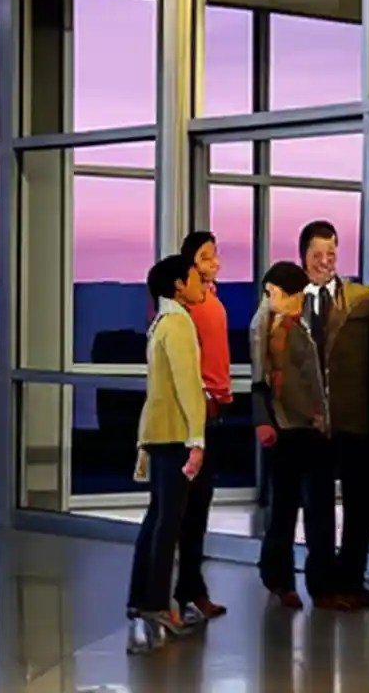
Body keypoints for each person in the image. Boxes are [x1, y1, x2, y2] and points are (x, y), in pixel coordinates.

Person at [298, 220, 369, 610]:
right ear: (304, 255)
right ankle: (323, 586)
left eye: (332, 253)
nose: (326, 261)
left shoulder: (365, 299)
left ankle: (352, 581)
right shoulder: (289, 300)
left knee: (361, 505)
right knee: (316, 506)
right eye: (318, 254)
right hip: (310, 424)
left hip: (357, 418)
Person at [125, 254, 208, 653]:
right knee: (167, 522)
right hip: (174, 435)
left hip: (159, 433)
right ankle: (156, 603)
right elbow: (187, 386)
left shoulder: (161, 321)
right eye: (195, 275)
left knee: (157, 519)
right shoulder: (178, 324)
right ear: (178, 284)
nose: (202, 280)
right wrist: (198, 438)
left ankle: (142, 601)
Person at [251, 261, 337, 610]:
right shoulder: (273, 329)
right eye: (296, 294)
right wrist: (316, 415)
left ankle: (312, 581)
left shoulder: (291, 325)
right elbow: (270, 382)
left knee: (311, 508)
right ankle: (282, 578)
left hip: (305, 428)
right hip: (294, 428)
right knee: (288, 508)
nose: (301, 300)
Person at [175, 231, 230, 624]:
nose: (214, 261)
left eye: (215, 254)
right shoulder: (184, 307)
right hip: (194, 416)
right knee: (183, 509)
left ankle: (191, 589)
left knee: (200, 506)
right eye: (206, 256)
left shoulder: (212, 298)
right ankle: (178, 593)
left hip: (214, 414)